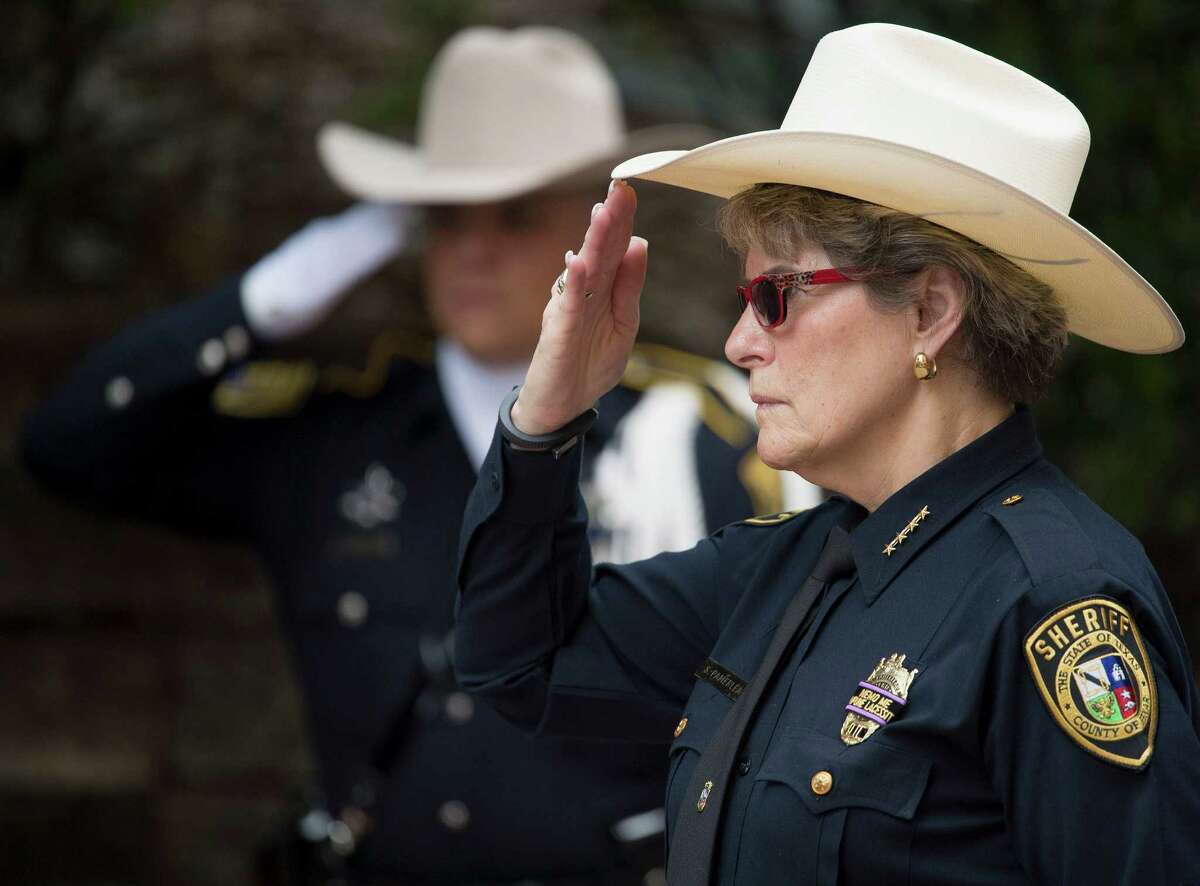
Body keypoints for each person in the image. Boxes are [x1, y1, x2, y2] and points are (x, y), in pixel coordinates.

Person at [20, 26, 813, 886]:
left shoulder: (697, 434)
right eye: (443, 215)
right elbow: (68, 448)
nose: (474, 248)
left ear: (599, 223)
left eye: (514, 213)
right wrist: (276, 292)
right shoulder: (333, 435)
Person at [453, 22, 1200, 885]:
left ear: (929, 310)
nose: (738, 344)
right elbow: (521, 664)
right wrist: (544, 420)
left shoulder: (1054, 602)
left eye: (775, 296)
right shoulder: (789, 566)